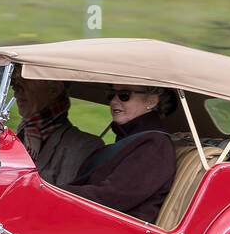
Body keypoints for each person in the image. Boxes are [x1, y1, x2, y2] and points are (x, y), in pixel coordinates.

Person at [63, 84, 178, 223]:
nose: (113, 101)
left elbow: (111, 197)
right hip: (93, 222)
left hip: (114, 233)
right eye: (111, 94)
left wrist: (50, 193)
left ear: (151, 101)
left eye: (124, 95)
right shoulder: (129, 140)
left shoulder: (155, 145)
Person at [11, 73, 104, 187]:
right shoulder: (17, 136)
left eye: (27, 79)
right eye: (15, 82)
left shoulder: (82, 146)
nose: (16, 88)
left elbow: (62, 199)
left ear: (54, 90)